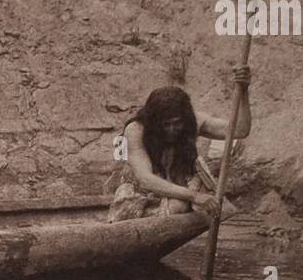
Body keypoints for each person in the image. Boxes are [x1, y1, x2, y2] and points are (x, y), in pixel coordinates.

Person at [108, 66, 251, 223]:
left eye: (177, 123)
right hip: (141, 198)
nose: (172, 129)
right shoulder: (136, 130)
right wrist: (195, 197)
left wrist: (243, 90)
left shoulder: (194, 121)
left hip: (177, 187)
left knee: (216, 201)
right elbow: (146, 179)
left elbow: (239, 130)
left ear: (185, 119)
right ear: (154, 122)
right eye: (166, 124)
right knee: (180, 205)